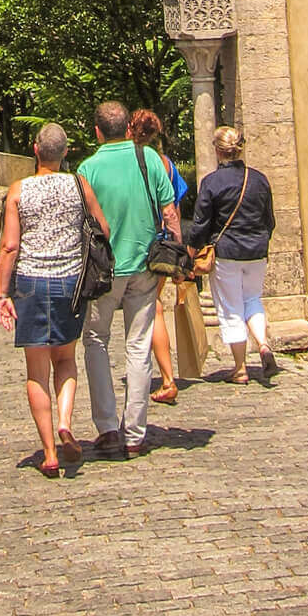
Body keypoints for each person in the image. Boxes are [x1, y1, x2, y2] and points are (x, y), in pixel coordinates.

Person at [0, 122, 111, 477]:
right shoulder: (79, 185)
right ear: (65, 153)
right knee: (65, 360)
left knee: (36, 373)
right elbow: (103, 230)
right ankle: (65, 422)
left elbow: (9, 246)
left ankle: (48, 452)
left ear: (35, 150)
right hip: (70, 283)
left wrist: (3, 293)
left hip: (32, 284)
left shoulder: (19, 191)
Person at [78, 101, 182, 458]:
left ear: (97, 132)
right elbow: (170, 213)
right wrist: (177, 257)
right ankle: (136, 432)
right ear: (126, 129)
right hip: (144, 267)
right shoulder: (149, 159)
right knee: (139, 345)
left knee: (95, 340)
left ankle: (107, 427)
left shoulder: (87, 169)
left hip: (104, 270)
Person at [187, 125, 277, 384]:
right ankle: (262, 344)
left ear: (217, 150)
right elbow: (269, 219)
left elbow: (201, 224)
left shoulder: (212, 182)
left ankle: (240, 368)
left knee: (230, 309)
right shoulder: (259, 179)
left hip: (227, 251)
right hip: (257, 251)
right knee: (252, 299)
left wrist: (193, 250)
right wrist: (261, 240)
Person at [128, 107, 188, 405]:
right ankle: (164, 376)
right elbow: (173, 209)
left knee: (153, 310)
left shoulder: (125, 162)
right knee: (153, 307)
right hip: (164, 246)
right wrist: (181, 252)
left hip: (141, 246)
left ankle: (166, 378)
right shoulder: (165, 163)